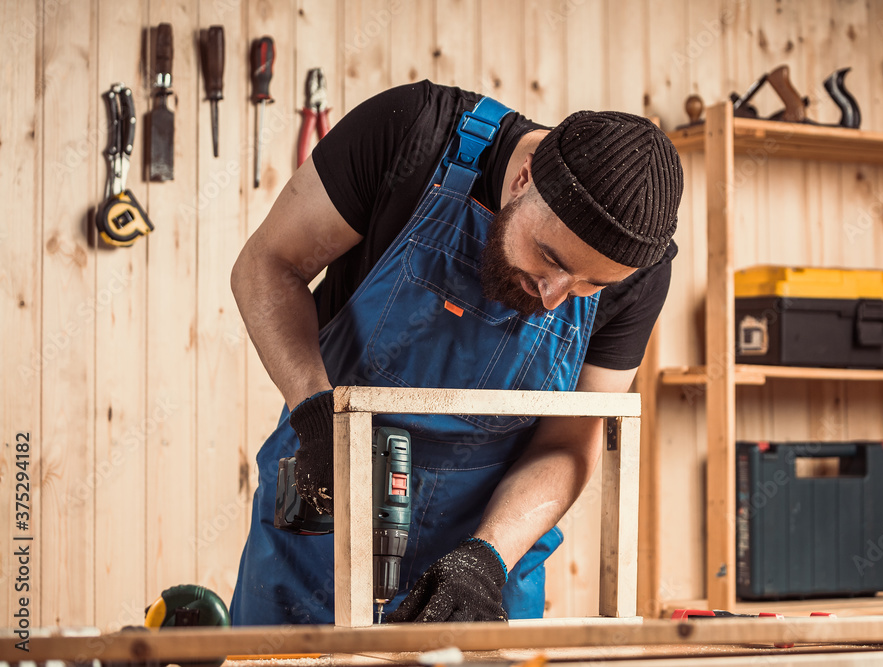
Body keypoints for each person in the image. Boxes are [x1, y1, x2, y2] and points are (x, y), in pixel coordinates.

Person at [229, 80, 682, 624]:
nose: (553, 296)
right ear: (525, 176)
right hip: (330, 502)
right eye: (549, 257)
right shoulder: (411, 134)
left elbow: (568, 438)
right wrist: (315, 414)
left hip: (489, 541)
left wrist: (487, 558)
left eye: (589, 286)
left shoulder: (640, 273)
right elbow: (267, 265)